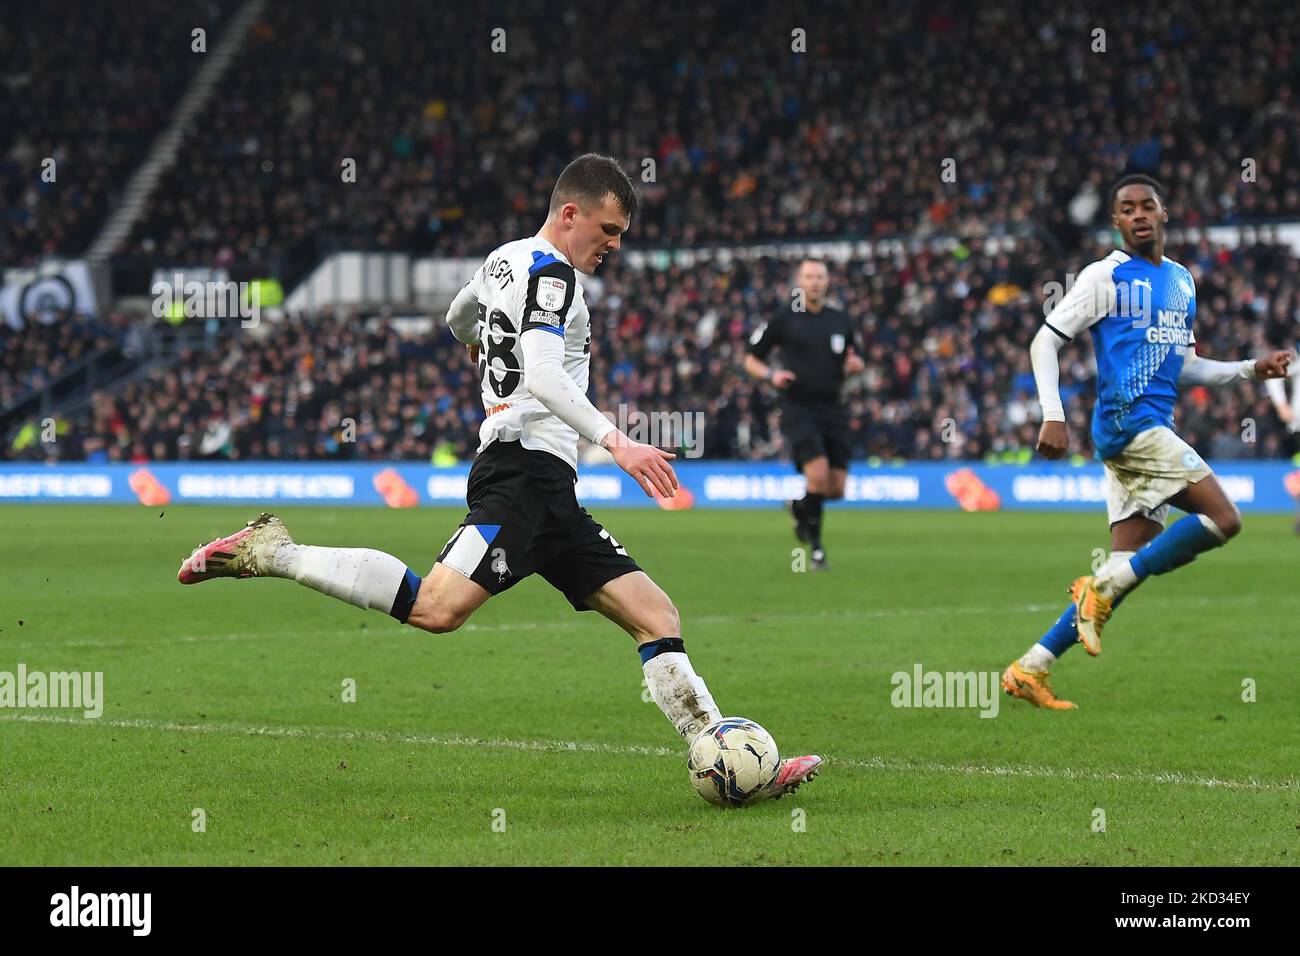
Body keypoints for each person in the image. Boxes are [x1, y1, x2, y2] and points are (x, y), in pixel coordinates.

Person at [177, 154, 821, 799]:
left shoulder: (503, 260)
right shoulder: (555, 276)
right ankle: (274, 552)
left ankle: (726, 759)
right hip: (522, 477)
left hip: (548, 489)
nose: (615, 245)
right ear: (570, 214)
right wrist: (616, 441)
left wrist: (492, 356)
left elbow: (460, 319)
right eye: (608, 229)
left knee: (656, 614)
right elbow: (541, 373)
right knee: (436, 607)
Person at [1002, 174, 1293, 709]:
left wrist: (1252, 370)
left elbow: (1183, 365)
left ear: (1164, 213)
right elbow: (1044, 341)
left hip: (1151, 428)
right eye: (1127, 208)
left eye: (1147, 206)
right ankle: (1095, 594)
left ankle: (1031, 666)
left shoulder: (1182, 281)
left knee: (1123, 570)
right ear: (1116, 221)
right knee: (1225, 520)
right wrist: (1052, 413)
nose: (1138, 214)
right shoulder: (1104, 276)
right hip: (1128, 425)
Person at [744, 259, 865, 569]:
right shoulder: (784, 318)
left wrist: (855, 367)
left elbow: (854, 358)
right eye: (809, 276)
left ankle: (799, 507)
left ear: (828, 281)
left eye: (820, 277)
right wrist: (772, 375)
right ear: (799, 281)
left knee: (835, 488)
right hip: (798, 407)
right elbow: (750, 359)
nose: (814, 282)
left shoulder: (840, 320)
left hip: (833, 407)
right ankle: (818, 550)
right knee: (819, 475)